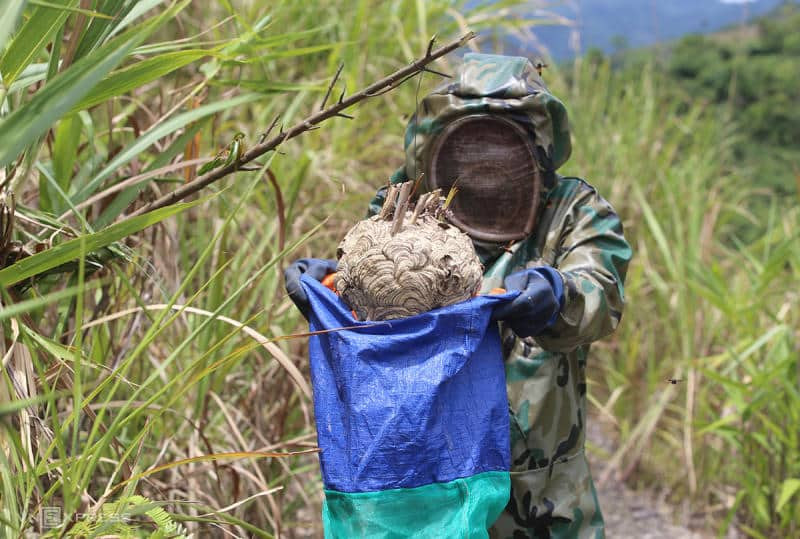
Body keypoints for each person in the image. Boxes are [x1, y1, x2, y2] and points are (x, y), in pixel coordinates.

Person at [286, 52, 632, 538]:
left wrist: (554, 295)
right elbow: (379, 314)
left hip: (540, 493)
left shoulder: (572, 212)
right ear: (436, 146)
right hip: (429, 483)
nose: (488, 166)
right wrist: (329, 291)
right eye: (472, 145)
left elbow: (600, 294)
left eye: (503, 144)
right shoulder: (407, 210)